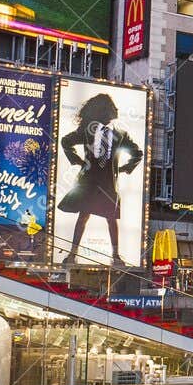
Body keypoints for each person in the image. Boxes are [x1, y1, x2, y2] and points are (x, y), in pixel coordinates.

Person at [55, 91, 145, 265]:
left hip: (108, 182)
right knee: (83, 216)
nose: (116, 110)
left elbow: (138, 153)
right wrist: (78, 161)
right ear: (104, 111)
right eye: (112, 108)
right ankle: (72, 254)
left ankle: (116, 256)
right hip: (89, 181)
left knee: (111, 219)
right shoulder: (88, 130)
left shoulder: (120, 133)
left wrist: (125, 168)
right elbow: (66, 141)